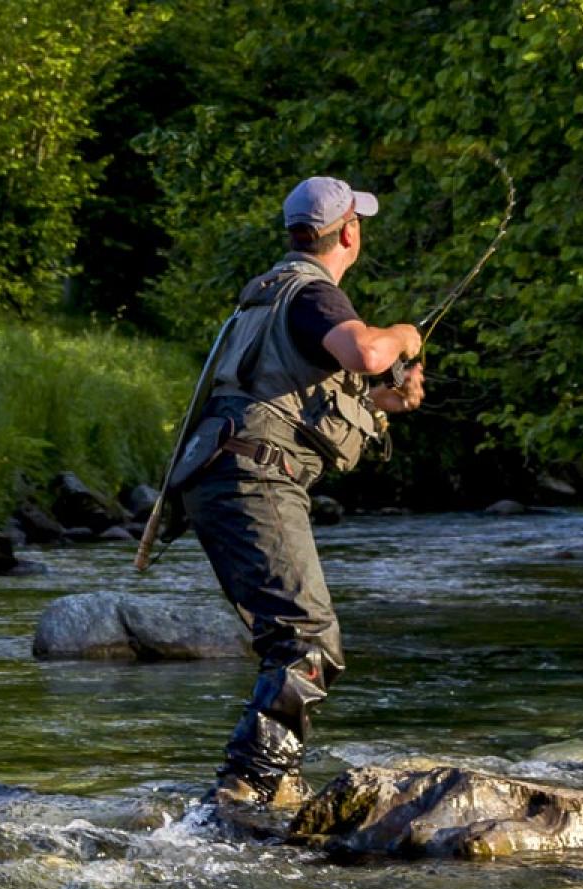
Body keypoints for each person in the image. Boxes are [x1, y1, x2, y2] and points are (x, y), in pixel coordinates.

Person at [179, 175, 425, 811]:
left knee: (290, 640)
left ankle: (274, 776)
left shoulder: (264, 297)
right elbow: (367, 352)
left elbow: (293, 397)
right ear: (348, 232)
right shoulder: (313, 295)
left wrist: (380, 404)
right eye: (358, 223)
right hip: (252, 478)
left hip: (222, 477)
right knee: (308, 641)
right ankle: (247, 785)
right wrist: (403, 335)